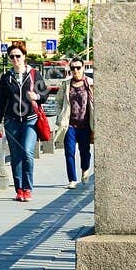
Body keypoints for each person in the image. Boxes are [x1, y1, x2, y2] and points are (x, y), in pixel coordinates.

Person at [0, 43, 46, 201]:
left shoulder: (34, 74)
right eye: (12, 57)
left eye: (18, 56)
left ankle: (28, 188)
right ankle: (19, 189)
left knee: (27, 153)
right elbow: (0, 101)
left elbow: (44, 93)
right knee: (16, 156)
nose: (15, 59)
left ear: (24, 57)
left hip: (30, 120)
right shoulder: (6, 77)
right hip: (12, 121)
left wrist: (36, 96)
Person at [56, 59, 93, 188]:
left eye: (78, 67)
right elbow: (58, 100)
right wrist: (59, 116)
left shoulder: (90, 83)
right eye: (72, 68)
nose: (75, 71)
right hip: (69, 124)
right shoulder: (66, 84)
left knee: (85, 151)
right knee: (69, 151)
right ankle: (72, 179)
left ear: (83, 68)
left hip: (85, 124)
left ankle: (85, 169)